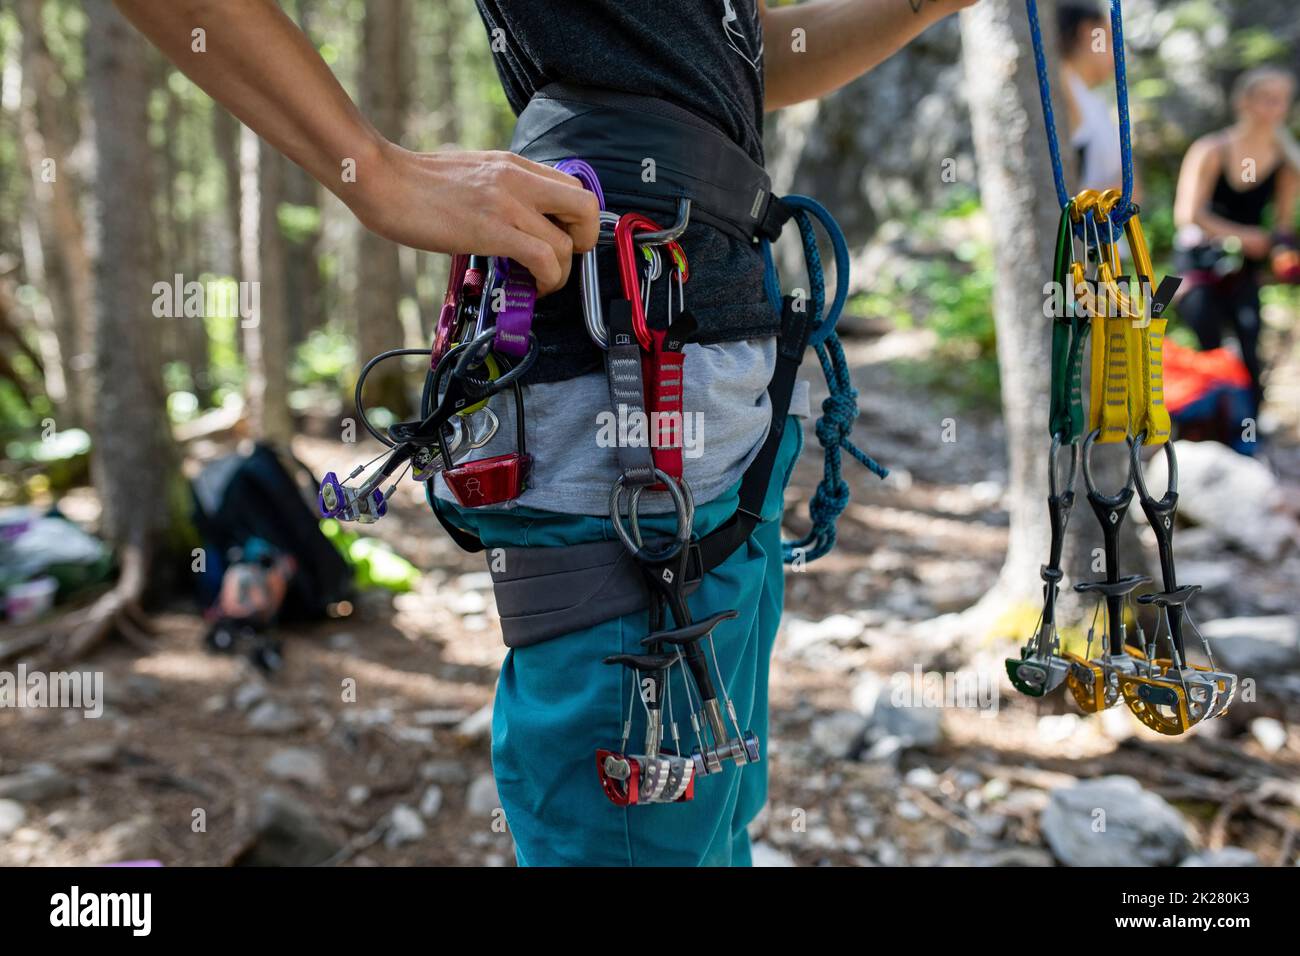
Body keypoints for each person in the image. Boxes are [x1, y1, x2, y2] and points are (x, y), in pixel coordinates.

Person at [114, 0, 976, 866]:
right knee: (635, 832)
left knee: (703, 819)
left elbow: (735, 59)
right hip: (621, 398)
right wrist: (373, 171)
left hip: (719, 385)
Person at [1173, 66, 1300, 414]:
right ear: (1244, 102)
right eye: (1267, 99)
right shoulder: (1211, 150)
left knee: (1249, 338)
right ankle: (1206, 424)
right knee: (1208, 341)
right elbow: (1186, 213)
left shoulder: (1286, 162)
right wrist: (1244, 236)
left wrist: (1283, 254)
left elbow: (1282, 226)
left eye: (1282, 101)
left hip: (1244, 268)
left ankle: (1249, 433)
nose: (1275, 108)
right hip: (1199, 262)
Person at [1057, 0, 1140, 198]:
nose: (1120, 54)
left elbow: (1134, 183)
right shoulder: (1063, 85)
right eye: (1109, 39)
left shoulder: (1093, 99)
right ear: (1088, 34)